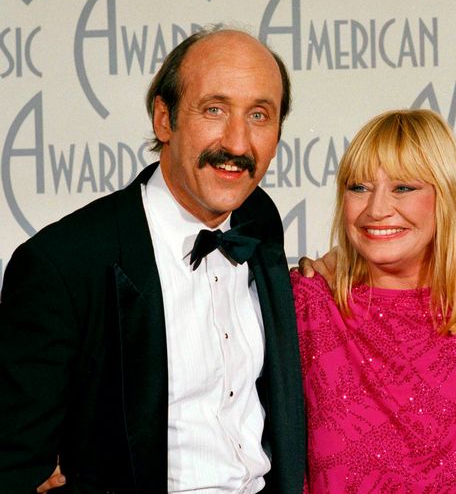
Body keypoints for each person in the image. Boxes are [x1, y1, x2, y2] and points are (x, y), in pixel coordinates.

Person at [0, 26, 306, 493]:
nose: (238, 143)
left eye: (259, 115)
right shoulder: (65, 263)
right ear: (164, 119)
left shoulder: (259, 221)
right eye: (215, 109)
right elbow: (16, 464)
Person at [290, 109, 456, 492]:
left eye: (403, 188)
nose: (376, 209)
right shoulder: (308, 309)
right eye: (359, 187)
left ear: (446, 196)